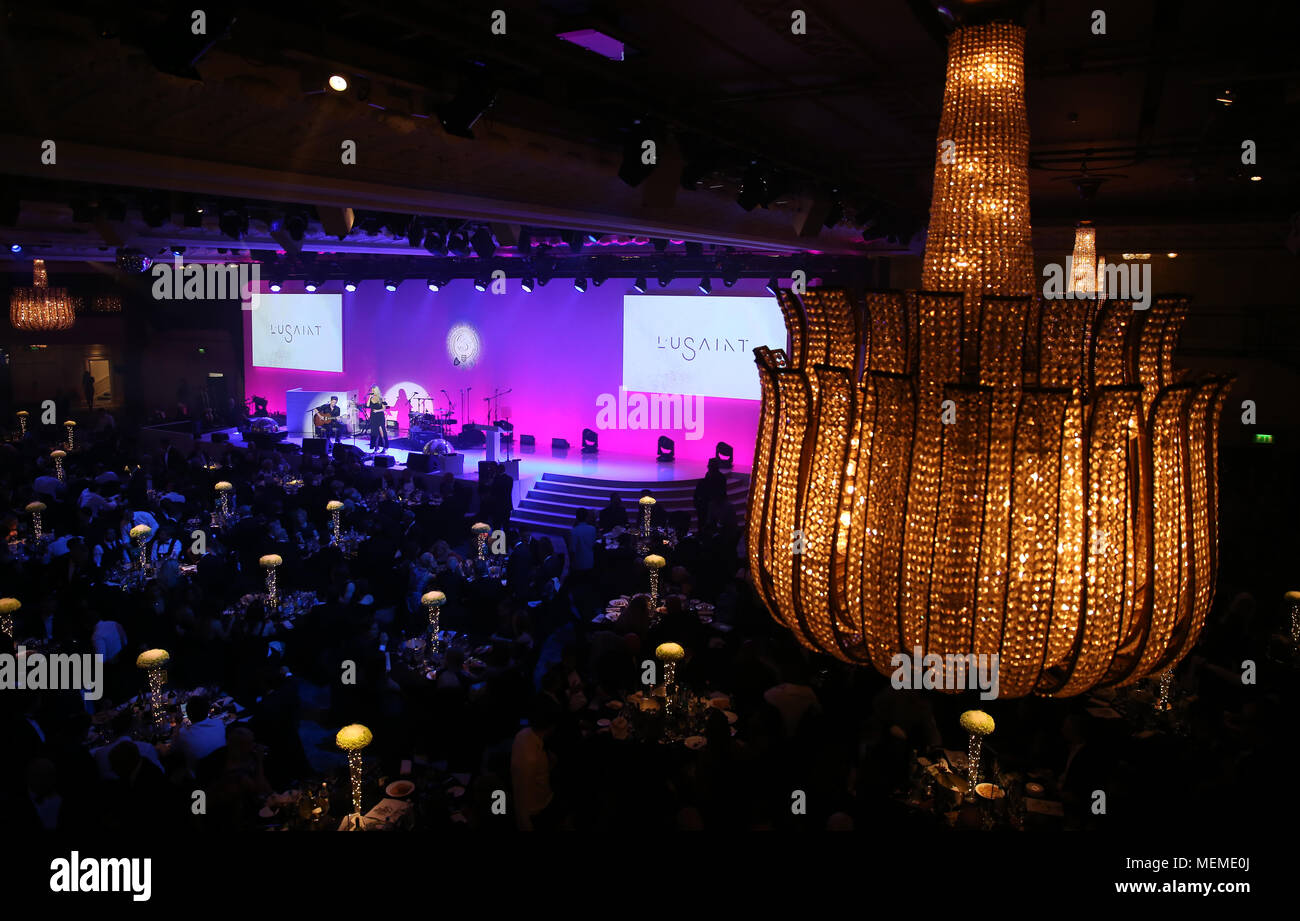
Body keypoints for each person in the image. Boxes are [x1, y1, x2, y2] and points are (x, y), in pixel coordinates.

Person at [511, 695, 561, 831]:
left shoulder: (522, 734)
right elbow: (523, 796)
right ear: (552, 726)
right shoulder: (531, 759)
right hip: (537, 809)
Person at [566, 508, 597, 575]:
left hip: (578, 565)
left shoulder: (574, 531)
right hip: (590, 563)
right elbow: (594, 545)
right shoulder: (593, 529)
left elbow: (572, 551)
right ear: (586, 517)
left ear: (577, 517)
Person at [365, 386, 388, 453]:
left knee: (382, 433)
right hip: (373, 417)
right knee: (375, 434)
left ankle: (384, 448)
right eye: (371, 390)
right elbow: (368, 405)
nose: (372, 392)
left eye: (373, 390)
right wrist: (369, 397)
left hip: (380, 417)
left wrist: (377, 411)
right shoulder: (371, 398)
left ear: (376, 391)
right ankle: (376, 448)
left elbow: (384, 409)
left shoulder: (381, 398)